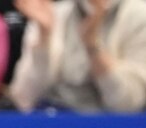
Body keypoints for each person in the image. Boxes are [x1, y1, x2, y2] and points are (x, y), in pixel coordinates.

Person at [9, 0, 146, 113]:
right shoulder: (54, 14)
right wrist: (44, 37)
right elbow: (23, 99)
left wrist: (92, 47)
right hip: (55, 121)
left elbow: (128, 104)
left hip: (114, 127)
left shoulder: (139, 16)